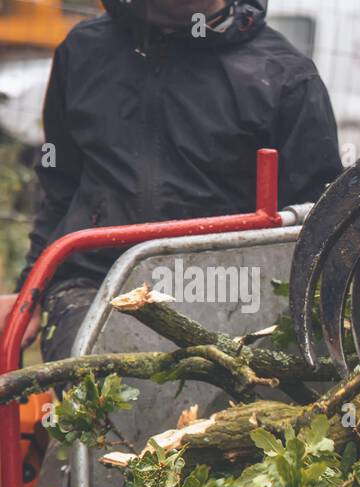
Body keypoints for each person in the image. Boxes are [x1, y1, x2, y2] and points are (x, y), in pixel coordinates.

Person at [0, 0, 342, 362]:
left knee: (199, 395)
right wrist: (29, 293)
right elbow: (60, 185)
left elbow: (319, 219)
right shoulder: (83, 50)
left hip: (227, 294)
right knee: (101, 382)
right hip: (93, 284)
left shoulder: (285, 77)